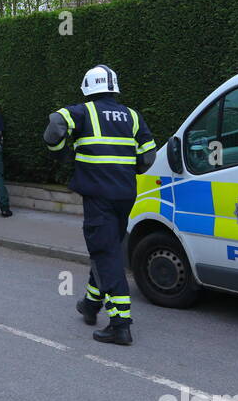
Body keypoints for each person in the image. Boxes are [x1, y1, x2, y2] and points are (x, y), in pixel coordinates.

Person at [43, 65, 156, 346]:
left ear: (88, 88)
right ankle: (91, 304)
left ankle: (120, 324)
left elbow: (55, 125)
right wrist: (129, 169)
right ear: (114, 88)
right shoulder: (131, 115)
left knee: (106, 254)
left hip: (98, 196)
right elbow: (148, 155)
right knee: (108, 247)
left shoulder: (82, 111)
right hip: (126, 193)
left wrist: (63, 155)